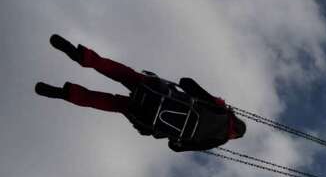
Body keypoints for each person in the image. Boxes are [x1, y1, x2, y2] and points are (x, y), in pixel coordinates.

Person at [34, 34, 246, 151]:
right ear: (233, 136)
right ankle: (65, 93)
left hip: (158, 93)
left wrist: (217, 102)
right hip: (149, 117)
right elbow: (175, 147)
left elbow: (187, 83)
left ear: (235, 119)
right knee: (109, 103)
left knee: (121, 73)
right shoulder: (216, 141)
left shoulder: (221, 111)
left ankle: (83, 57)